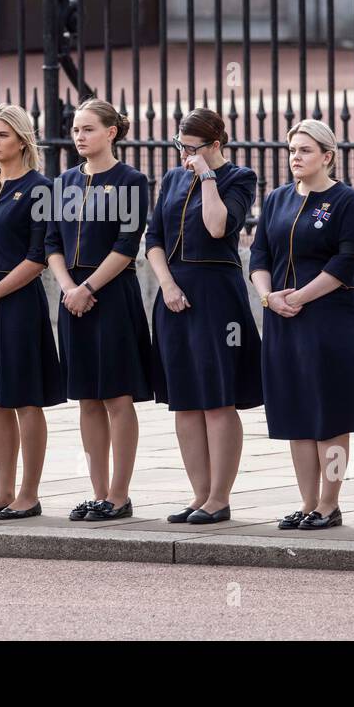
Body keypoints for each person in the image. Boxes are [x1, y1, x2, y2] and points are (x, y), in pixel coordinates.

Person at [250, 120, 354, 530]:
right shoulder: (276, 199)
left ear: (327, 156)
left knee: (329, 413)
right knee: (295, 409)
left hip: (327, 318)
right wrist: (268, 296)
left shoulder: (348, 202)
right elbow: (259, 255)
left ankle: (329, 503)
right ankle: (307, 502)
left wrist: (299, 297)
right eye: (292, 150)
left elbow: (345, 262)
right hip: (282, 318)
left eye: (305, 150)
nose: (296, 158)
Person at [145, 108, 262, 525]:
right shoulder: (173, 179)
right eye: (180, 146)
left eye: (192, 148)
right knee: (185, 401)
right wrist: (167, 285)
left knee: (217, 398)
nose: (184, 156)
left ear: (215, 146)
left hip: (216, 294)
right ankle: (198, 494)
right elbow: (154, 238)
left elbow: (218, 227)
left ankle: (219, 496)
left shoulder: (239, 178)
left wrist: (207, 176)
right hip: (174, 292)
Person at [46, 98, 151, 522]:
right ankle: (98, 491)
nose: (79, 137)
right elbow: (51, 242)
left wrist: (88, 286)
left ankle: (120, 495)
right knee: (87, 398)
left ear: (110, 132)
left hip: (110, 296)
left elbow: (127, 245)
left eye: (88, 129)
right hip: (72, 298)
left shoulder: (131, 180)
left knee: (116, 396)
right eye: (75, 130)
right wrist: (70, 287)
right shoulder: (63, 181)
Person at [0, 104, 63, 520]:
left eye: (2, 135)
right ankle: (2, 491)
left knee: (24, 399)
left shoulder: (41, 188)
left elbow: (38, 256)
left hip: (16, 301)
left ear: (22, 139)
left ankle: (28, 493)